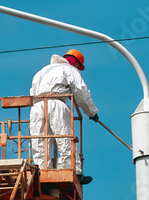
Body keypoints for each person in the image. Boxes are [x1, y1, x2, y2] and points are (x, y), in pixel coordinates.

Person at [28, 49, 99, 183]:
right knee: (65, 137)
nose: (78, 68)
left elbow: (32, 92)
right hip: (56, 103)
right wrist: (92, 112)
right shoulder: (69, 70)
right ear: (75, 62)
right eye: (79, 66)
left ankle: (41, 172)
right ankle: (75, 172)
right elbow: (81, 92)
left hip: (37, 106)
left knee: (40, 142)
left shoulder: (41, 71)